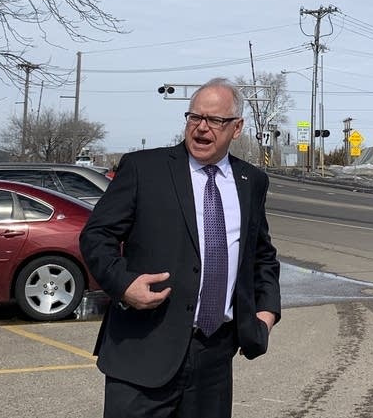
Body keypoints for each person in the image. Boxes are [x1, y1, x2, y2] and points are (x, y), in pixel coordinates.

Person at [80, 77, 281, 418]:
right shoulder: (145, 168)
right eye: (194, 117)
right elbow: (95, 236)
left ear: (236, 128)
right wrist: (124, 284)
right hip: (143, 349)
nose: (202, 128)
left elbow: (261, 254)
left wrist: (267, 313)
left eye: (215, 120)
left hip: (214, 356)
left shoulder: (251, 181)